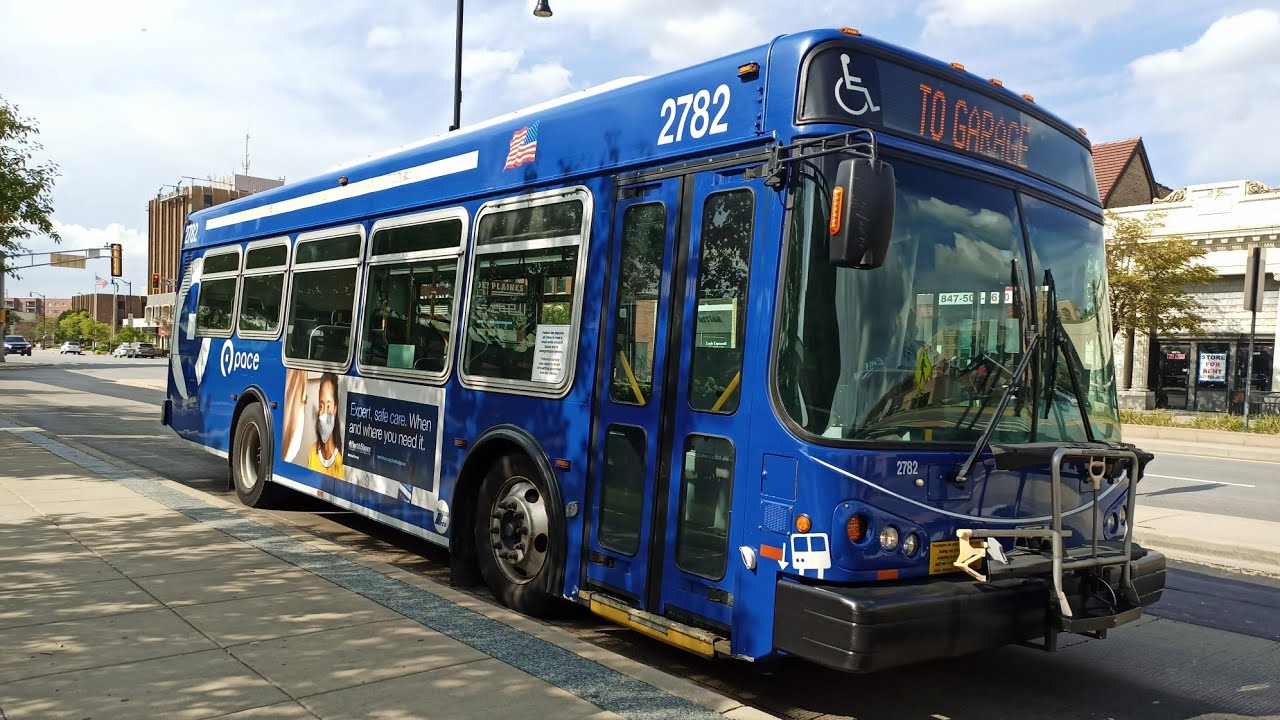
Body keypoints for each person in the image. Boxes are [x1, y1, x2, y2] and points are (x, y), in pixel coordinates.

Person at [307, 372, 344, 478]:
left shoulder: (339, 461)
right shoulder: (313, 451)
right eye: (321, 406)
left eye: (328, 406)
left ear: (335, 409)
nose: (323, 413)